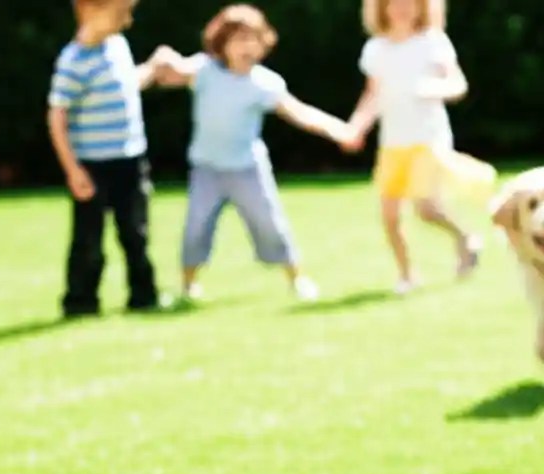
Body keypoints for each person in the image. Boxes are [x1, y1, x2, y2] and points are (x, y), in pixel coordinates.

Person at [154, 4, 355, 303]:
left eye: (252, 39)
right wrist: (164, 60)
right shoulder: (204, 71)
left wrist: (337, 128)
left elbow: (298, 112)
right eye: (237, 39)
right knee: (196, 227)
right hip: (206, 168)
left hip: (247, 168)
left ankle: (297, 279)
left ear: (263, 43)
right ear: (221, 43)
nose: (246, 47)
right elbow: (171, 73)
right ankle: (188, 287)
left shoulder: (264, 83)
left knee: (270, 224)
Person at [341, 0, 488, 296]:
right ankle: (407, 275)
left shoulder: (433, 42)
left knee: (426, 209)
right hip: (392, 143)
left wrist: (434, 89)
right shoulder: (375, 49)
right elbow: (372, 95)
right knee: (390, 215)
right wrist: (357, 126)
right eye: (394, 2)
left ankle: (465, 237)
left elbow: (458, 84)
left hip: (428, 139)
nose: (402, 7)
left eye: (410, 2)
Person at [47, 0, 172, 317]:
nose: (128, 21)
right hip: (92, 165)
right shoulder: (74, 61)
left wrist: (153, 69)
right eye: (121, 13)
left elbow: (125, 85)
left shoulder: (117, 46)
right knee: (88, 240)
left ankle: (144, 296)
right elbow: (57, 117)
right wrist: (73, 170)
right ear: (90, 10)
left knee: (136, 233)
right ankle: (80, 301)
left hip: (130, 159)